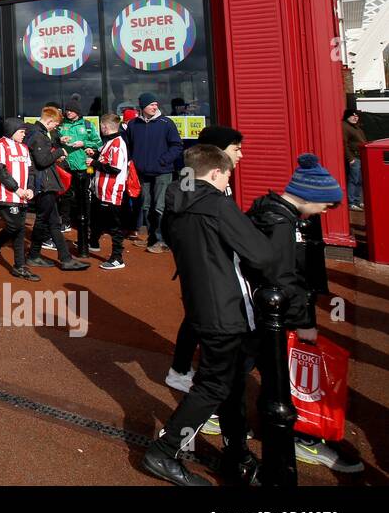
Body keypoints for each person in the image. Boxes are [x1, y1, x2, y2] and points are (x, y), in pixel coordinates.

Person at [142, 145, 280, 487]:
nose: (230, 178)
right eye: (228, 173)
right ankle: (166, 449)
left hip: (201, 303)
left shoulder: (173, 205)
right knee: (214, 385)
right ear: (215, 173)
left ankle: (237, 454)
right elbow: (262, 256)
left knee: (230, 384)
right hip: (226, 306)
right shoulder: (218, 205)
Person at [247, 154, 363, 474]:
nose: (326, 213)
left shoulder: (277, 214)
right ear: (311, 196)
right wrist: (305, 321)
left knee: (253, 366)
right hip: (274, 313)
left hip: (263, 310)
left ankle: (229, 417)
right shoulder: (282, 222)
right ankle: (298, 438)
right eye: (326, 206)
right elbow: (285, 276)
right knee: (278, 375)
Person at [165, 125, 243, 393]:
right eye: (236, 149)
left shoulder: (218, 179)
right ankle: (185, 371)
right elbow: (179, 214)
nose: (241, 155)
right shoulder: (190, 181)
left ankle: (183, 368)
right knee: (201, 318)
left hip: (214, 261)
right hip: (203, 263)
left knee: (198, 317)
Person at [25, 107, 89, 271]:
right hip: (44, 183)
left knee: (52, 221)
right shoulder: (38, 135)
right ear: (49, 121)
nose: (55, 128)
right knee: (45, 220)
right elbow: (42, 160)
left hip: (46, 182)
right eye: (55, 125)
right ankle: (36, 255)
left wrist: (57, 147)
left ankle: (61, 257)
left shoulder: (38, 133)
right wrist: (60, 151)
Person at [126, 93, 183, 253]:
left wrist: (164, 160)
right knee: (145, 206)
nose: (155, 107)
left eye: (156, 104)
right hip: (142, 173)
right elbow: (128, 146)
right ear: (143, 107)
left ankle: (162, 240)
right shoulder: (133, 124)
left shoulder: (166, 123)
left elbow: (177, 145)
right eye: (151, 104)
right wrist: (132, 161)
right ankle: (152, 238)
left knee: (159, 207)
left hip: (162, 172)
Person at [0, 118, 38, 280]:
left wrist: (30, 188)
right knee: (15, 226)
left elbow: (31, 171)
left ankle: (19, 266)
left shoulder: (24, 148)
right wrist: (16, 188)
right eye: (21, 131)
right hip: (7, 195)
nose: (24, 134)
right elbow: (0, 171)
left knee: (20, 230)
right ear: (12, 130)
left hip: (23, 196)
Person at [88, 113, 130, 270]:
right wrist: (96, 155)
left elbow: (115, 168)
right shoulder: (110, 141)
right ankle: (93, 242)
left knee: (114, 226)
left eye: (101, 126)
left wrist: (94, 163)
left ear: (104, 127)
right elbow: (107, 160)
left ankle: (117, 258)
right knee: (99, 217)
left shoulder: (118, 143)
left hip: (112, 191)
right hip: (102, 189)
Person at [58, 100, 100, 244]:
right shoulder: (61, 124)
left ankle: (86, 225)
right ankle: (66, 221)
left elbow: (98, 143)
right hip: (65, 165)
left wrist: (84, 144)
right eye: (67, 110)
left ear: (77, 111)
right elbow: (52, 140)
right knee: (65, 194)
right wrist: (60, 140)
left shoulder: (88, 125)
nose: (68, 112)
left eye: (71, 110)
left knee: (84, 196)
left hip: (83, 165)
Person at [342, 109, 366, 210]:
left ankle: (358, 201)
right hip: (354, 158)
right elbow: (344, 144)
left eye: (357, 116)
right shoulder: (345, 126)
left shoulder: (356, 128)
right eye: (353, 115)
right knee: (354, 180)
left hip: (360, 157)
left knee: (360, 180)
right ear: (347, 116)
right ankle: (351, 202)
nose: (355, 117)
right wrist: (350, 158)